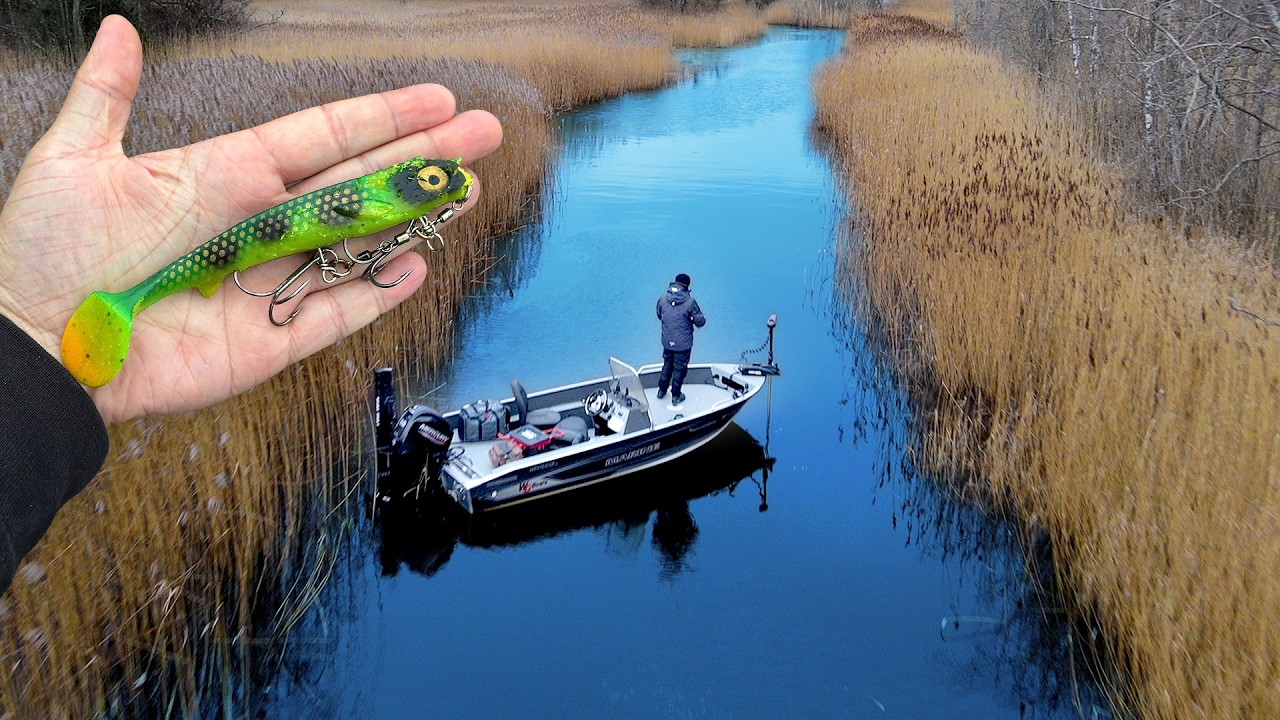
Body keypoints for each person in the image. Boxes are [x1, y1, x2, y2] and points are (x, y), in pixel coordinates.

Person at [0, 15, 503, 594]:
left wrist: (26, 358)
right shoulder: (372, 198)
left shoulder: (382, 197)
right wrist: (28, 338)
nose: (446, 182)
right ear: (405, 189)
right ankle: (127, 305)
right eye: (436, 181)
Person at [655, 272, 706, 405]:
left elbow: (659, 314)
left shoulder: (663, 298)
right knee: (680, 369)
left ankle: (661, 391)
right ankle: (676, 396)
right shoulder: (690, 302)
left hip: (667, 341)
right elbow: (700, 322)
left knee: (667, 365)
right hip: (683, 344)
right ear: (687, 286)